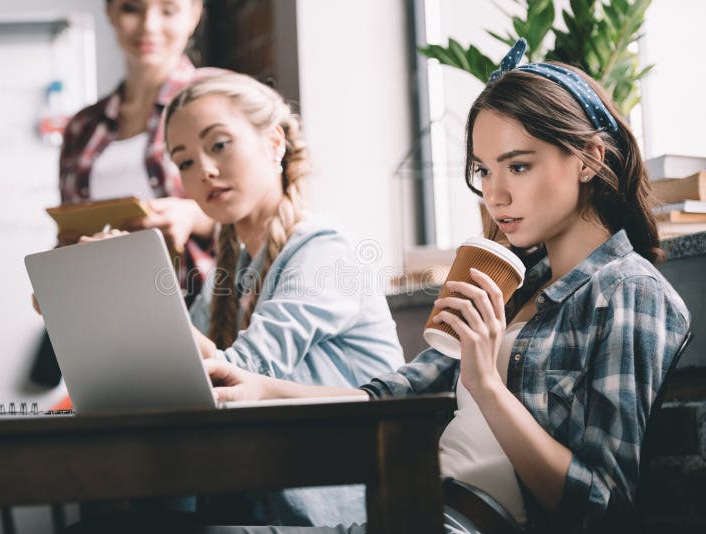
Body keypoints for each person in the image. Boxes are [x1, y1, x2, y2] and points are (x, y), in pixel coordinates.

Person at [195, 40, 691, 533]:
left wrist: (487, 386)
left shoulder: (628, 292)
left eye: (518, 166)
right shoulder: (514, 284)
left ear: (589, 159)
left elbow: (603, 510)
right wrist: (262, 389)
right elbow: (390, 399)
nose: (495, 195)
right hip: (408, 511)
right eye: (483, 170)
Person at [162, 72, 404, 527]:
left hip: (343, 519)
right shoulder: (228, 275)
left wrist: (141, 308)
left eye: (218, 145)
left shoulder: (326, 254)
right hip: (255, 507)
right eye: (185, 162)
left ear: (274, 144)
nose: (204, 171)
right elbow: (185, 375)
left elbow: (244, 372)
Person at [59, 0, 222, 301]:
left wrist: (194, 216)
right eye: (131, 8)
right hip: (105, 308)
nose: (149, 26)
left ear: (194, 14)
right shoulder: (82, 127)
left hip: (200, 307)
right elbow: (69, 238)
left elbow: (268, 212)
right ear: (110, 13)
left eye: (168, 10)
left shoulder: (222, 97)